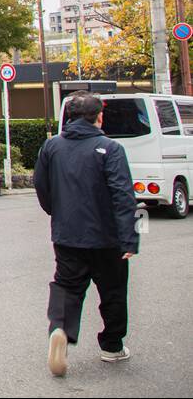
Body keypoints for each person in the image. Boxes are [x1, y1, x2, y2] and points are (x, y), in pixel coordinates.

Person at [34, 91, 139, 377]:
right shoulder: (110, 148)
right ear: (99, 117)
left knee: (67, 287)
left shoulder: (51, 147)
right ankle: (112, 345)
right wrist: (129, 237)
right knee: (113, 290)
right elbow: (122, 195)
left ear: (68, 117)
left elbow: (42, 187)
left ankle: (60, 329)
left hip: (67, 234)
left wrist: (57, 212)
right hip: (107, 238)